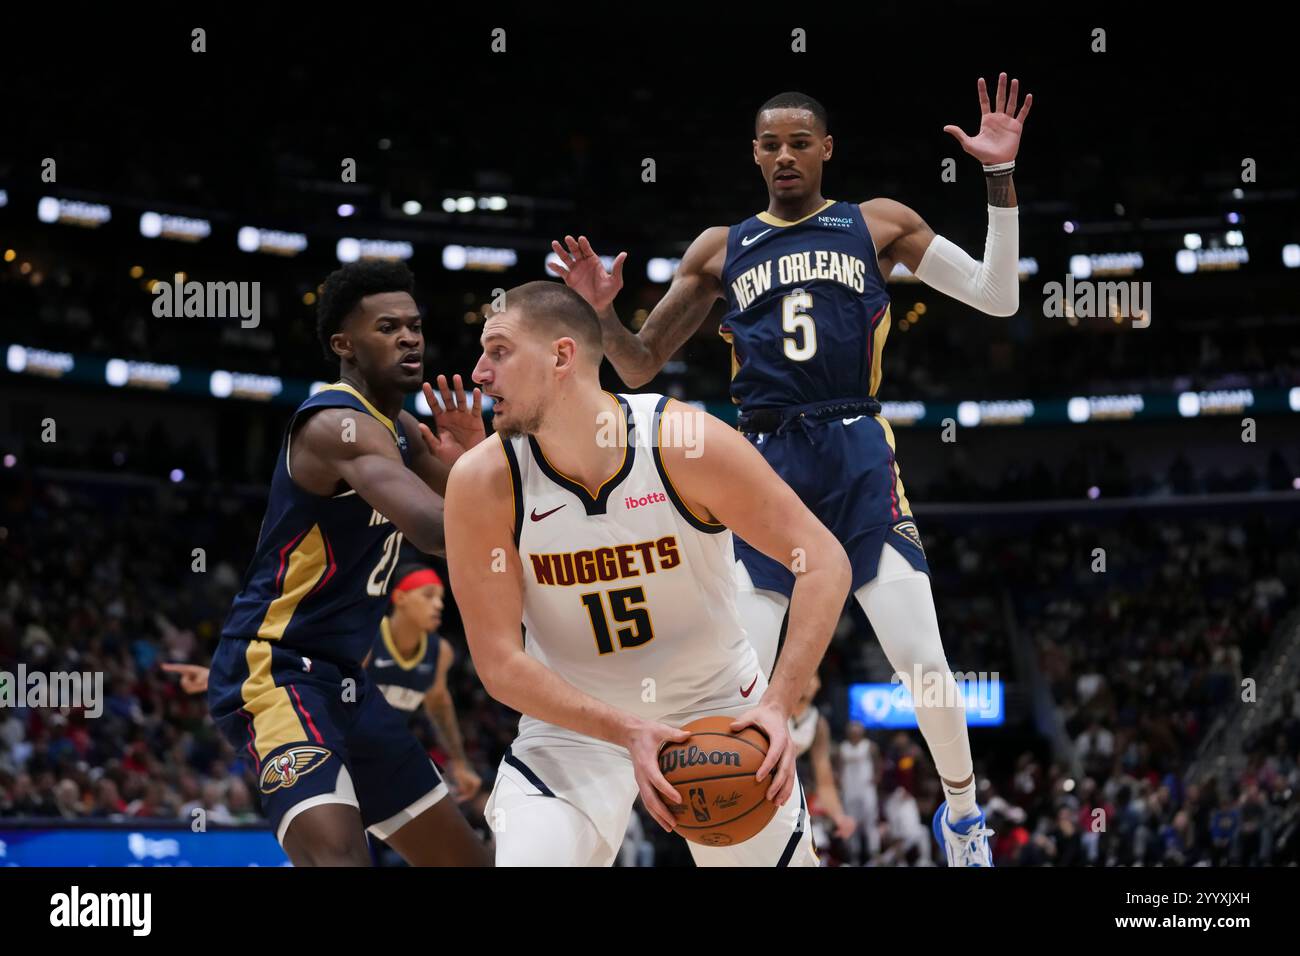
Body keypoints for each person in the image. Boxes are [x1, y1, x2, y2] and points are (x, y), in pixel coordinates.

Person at [548, 75, 1032, 866]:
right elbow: (636, 367)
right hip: (760, 467)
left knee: (925, 662)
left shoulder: (877, 224)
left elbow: (999, 295)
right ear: (753, 154)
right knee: (734, 684)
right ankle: (773, 839)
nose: (783, 155)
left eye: (799, 141)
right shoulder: (719, 247)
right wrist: (600, 313)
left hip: (856, 452)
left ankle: (964, 815)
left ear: (826, 149)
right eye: (769, 143)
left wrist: (999, 177)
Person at [444, 280, 851, 866]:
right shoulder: (483, 481)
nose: (480, 373)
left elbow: (823, 560)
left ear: (562, 356)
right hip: (571, 726)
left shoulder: (683, 443)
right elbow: (499, 662)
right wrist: (627, 729)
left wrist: (776, 705)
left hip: (713, 712)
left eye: (499, 351)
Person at [205, 260, 490, 866]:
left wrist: (479, 457)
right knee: (340, 858)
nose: (409, 338)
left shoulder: (402, 429)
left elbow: (504, 521)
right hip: (274, 667)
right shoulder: (338, 426)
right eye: (387, 328)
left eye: (413, 326)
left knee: (468, 862)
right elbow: (438, 528)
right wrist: (478, 476)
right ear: (344, 344)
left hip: (344, 681)